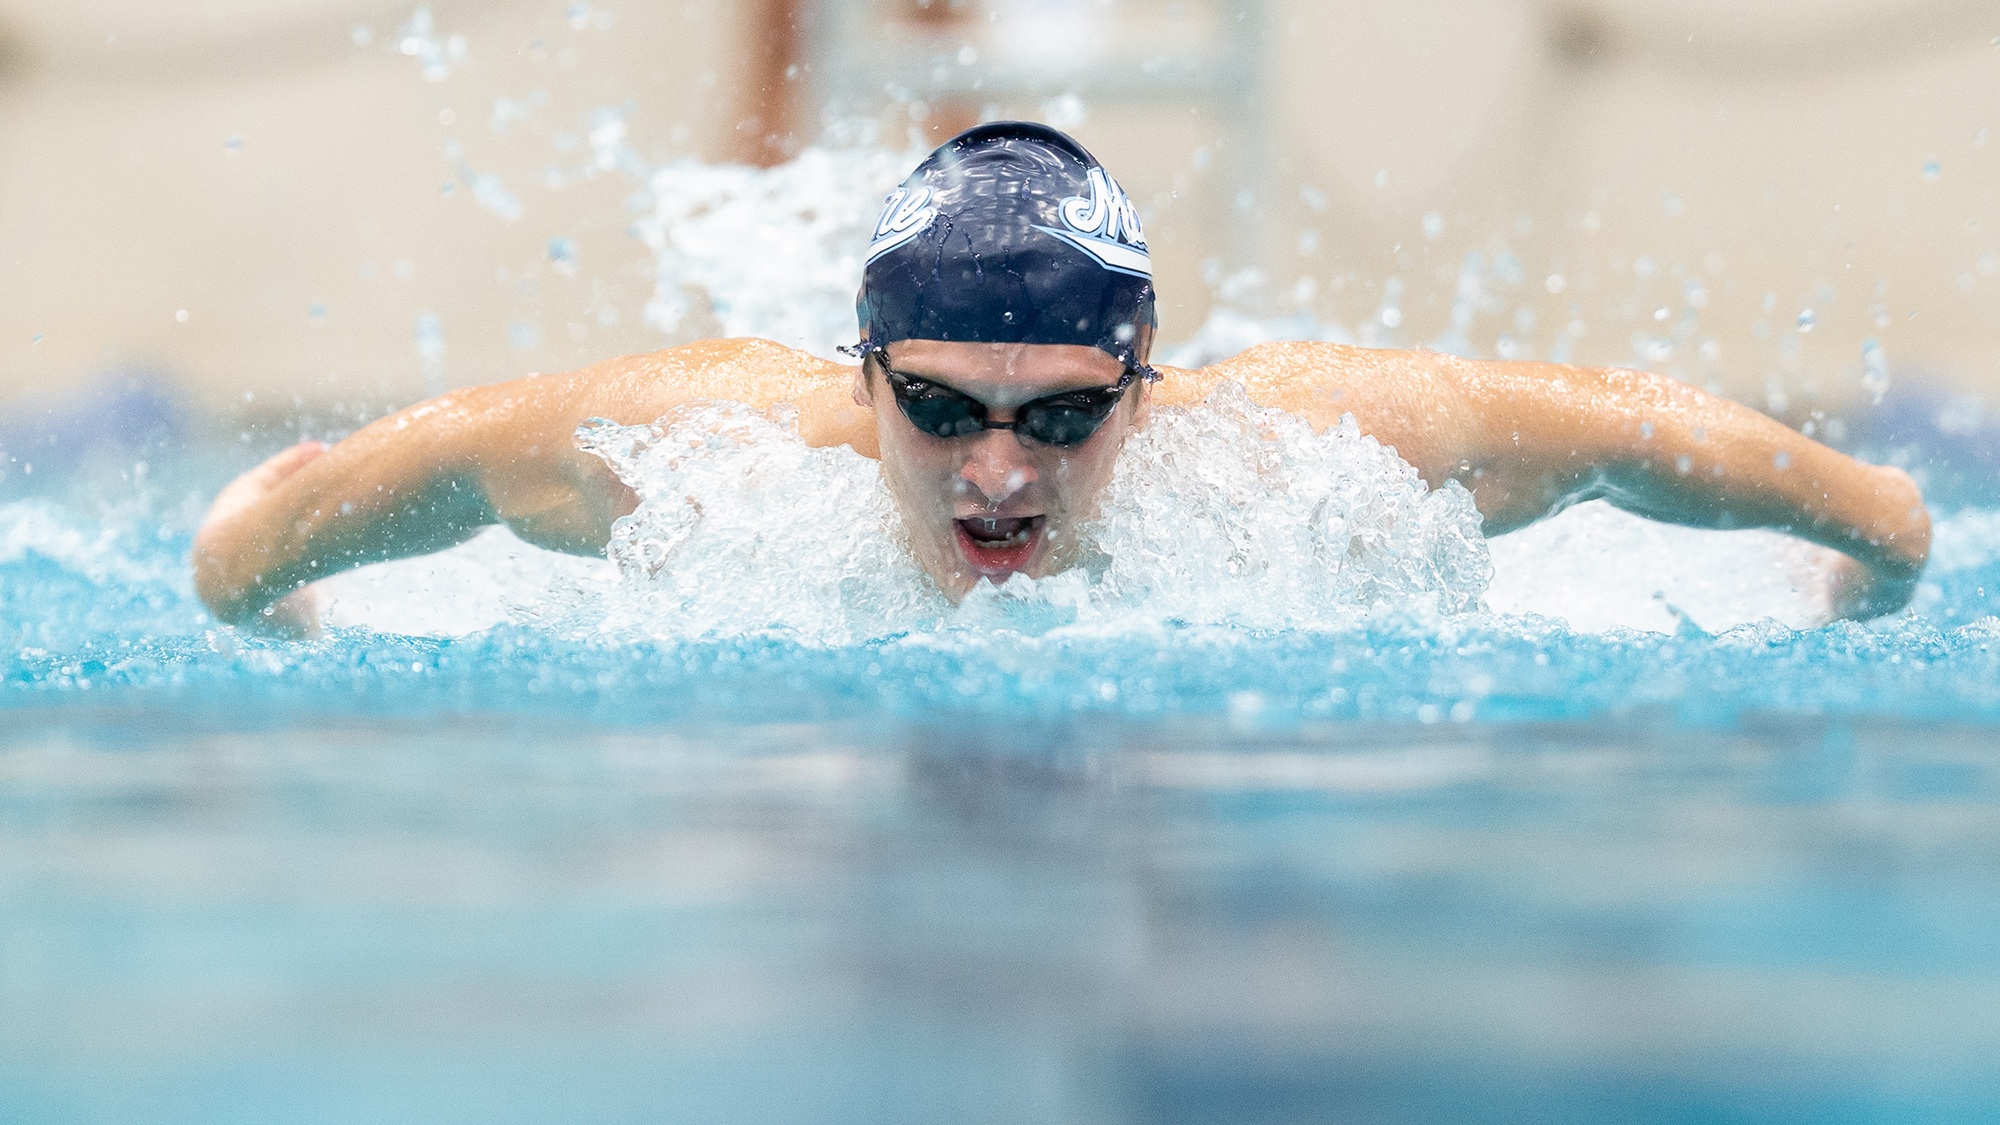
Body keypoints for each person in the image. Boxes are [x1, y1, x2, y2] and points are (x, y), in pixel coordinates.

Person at [193, 122, 1929, 636]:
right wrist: (288, 621)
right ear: (857, 376)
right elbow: (250, 540)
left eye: (1063, 417)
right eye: (938, 409)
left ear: (1144, 386)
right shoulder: (694, 455)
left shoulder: (1311, 457)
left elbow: (1657, 440)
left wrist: (1869, 560)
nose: (998, 478)